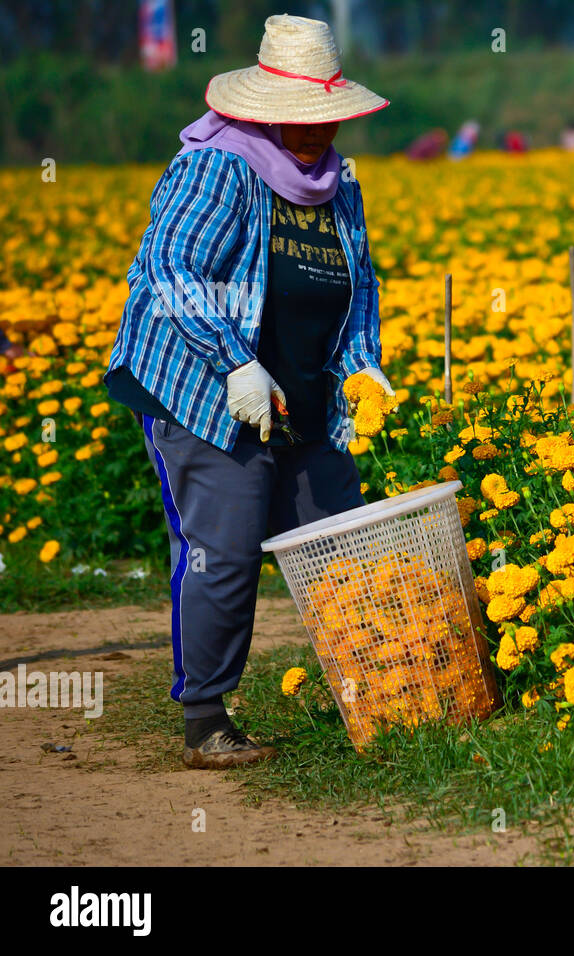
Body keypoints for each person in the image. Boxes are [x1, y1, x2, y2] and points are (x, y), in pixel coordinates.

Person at [103, 14, 394, 769]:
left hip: (301, 390)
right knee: (224, 552)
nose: (313, 134)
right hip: (198, 387)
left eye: (324, 119)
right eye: (298, 119)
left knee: (339, 535)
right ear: (259, 110)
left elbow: (357, 289)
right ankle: (207, 719)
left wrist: (363, 366)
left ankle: (380, 696)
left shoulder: (341, 185)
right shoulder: (218, 168)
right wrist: (235, 363)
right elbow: (168, 272)